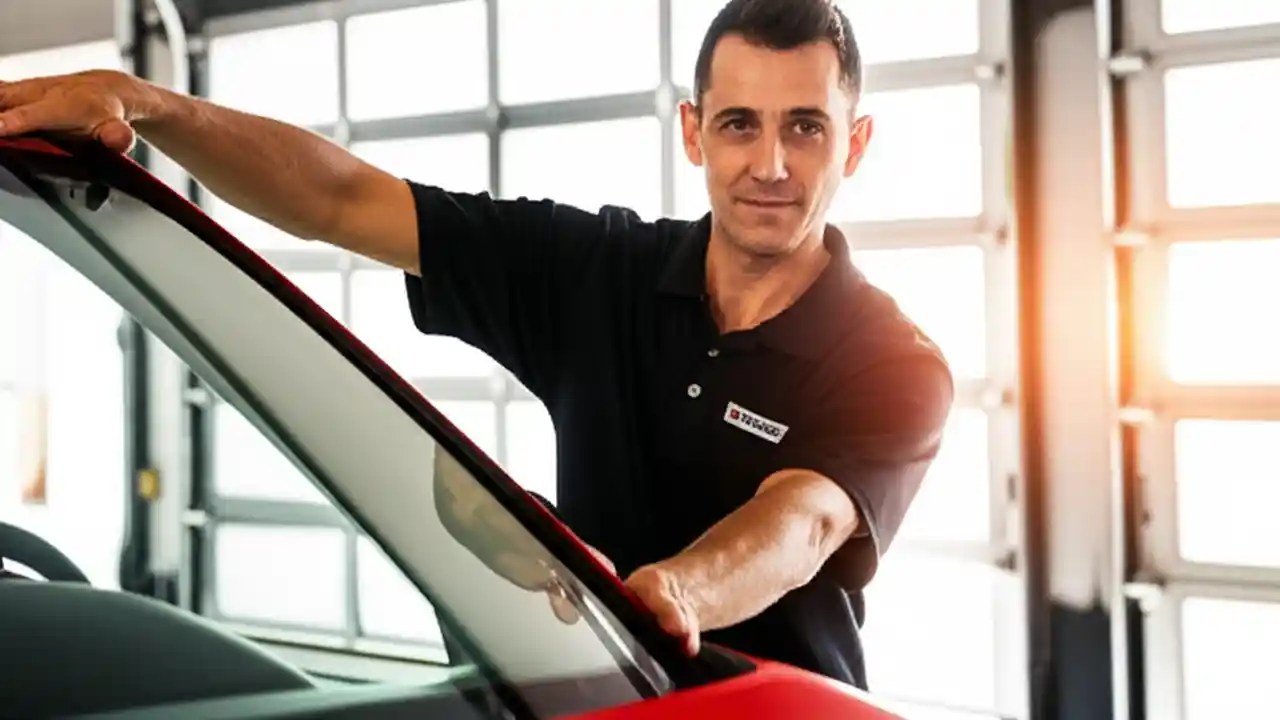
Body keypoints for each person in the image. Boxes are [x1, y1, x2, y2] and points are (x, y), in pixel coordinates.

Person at [0, 0, 953, 690]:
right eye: (741, 124)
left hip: (768, 713)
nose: (772, 164)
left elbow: (803, 526)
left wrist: (669, 597)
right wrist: (152, 106)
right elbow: (342, 199)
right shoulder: (600, 271)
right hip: (593, 707)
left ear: (854, 144)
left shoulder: (894, 362)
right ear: (693, 133)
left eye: (807, 129)